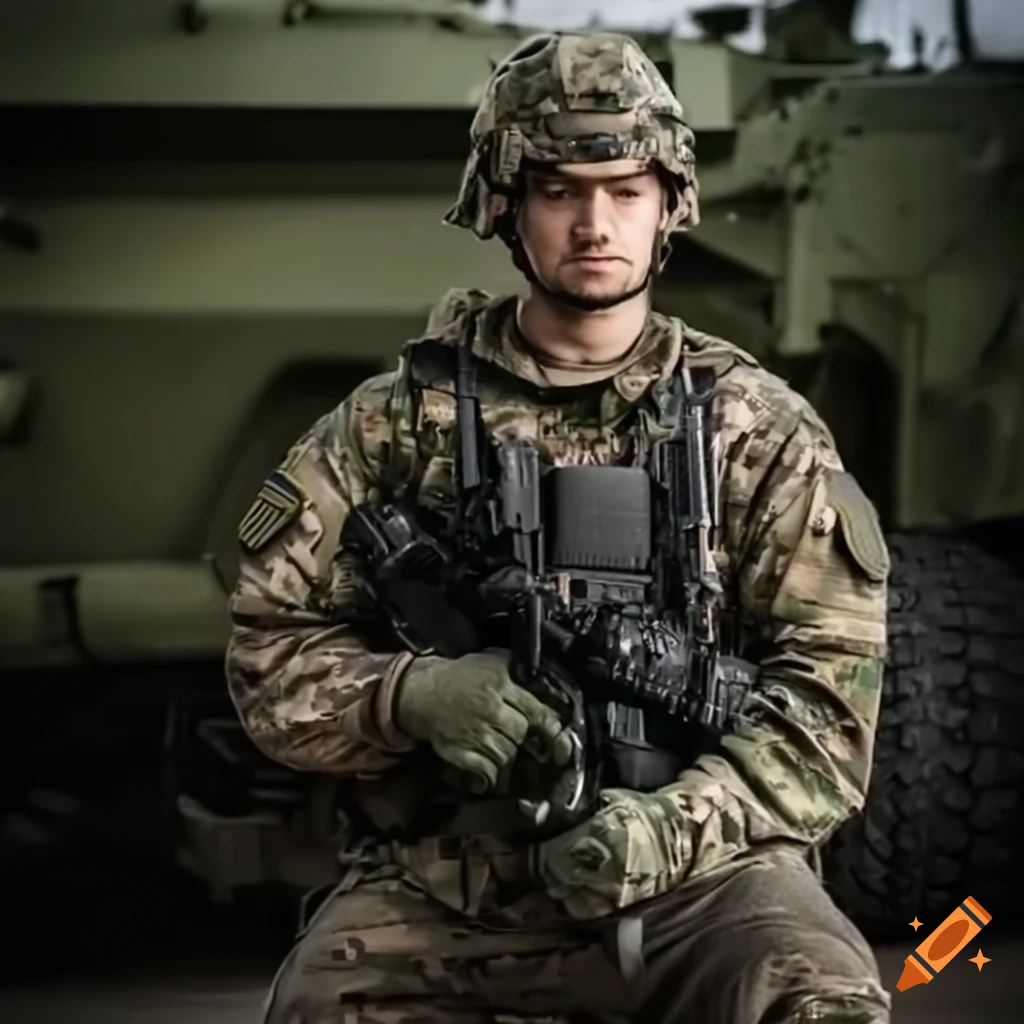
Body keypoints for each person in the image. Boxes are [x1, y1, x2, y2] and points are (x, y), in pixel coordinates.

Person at [225, 30, 893, 1024]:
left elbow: (831, 717)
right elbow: (267, 656)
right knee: (320, 1003)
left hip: (707, 886)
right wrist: (412, 694)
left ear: (670, 204)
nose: (595, 223)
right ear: (504, 203)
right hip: (450, 887)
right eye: (560, 191)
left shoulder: (754, 427)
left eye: (626, 190)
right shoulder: (393, 422)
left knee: (819, 999)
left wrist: (664, 831)